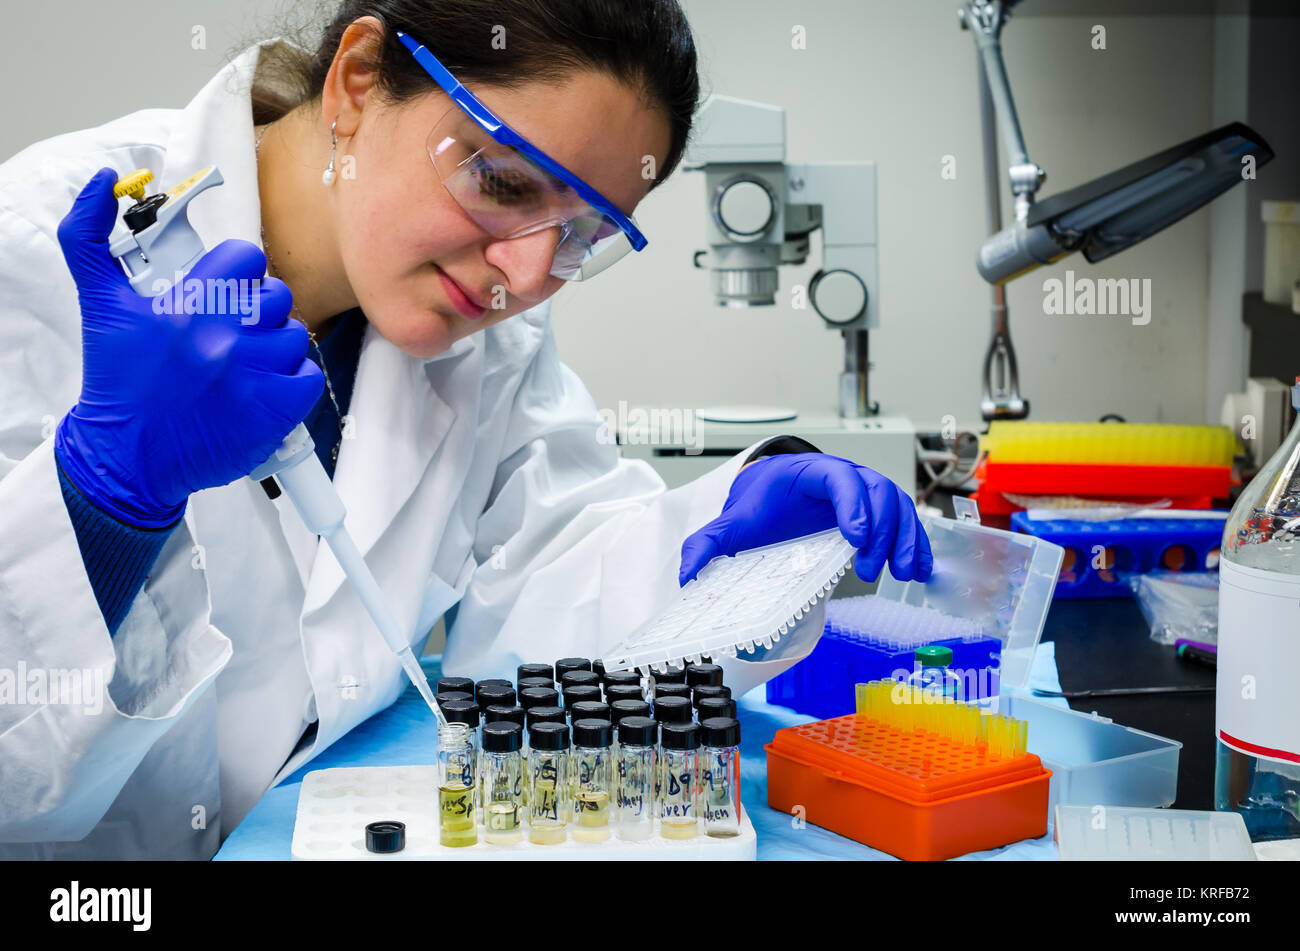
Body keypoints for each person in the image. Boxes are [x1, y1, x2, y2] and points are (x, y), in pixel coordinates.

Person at [0, 0, 931, 859]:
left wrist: (730, 544)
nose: (525, 274)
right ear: (359, 81)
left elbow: (552, 567)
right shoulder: (38, 253)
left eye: (583, 237)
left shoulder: (489, 332)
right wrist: (103, 494)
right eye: (501, 179)